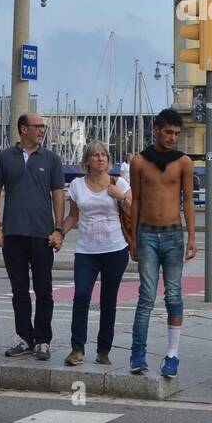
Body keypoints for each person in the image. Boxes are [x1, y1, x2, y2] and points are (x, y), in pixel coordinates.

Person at [0, 112, 66, 361]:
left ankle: (43, 339)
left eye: (43, 127)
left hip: (42, 235)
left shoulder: (51, 159)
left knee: (44, 290)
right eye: (37, 126)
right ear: (23, 129)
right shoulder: (4, 158)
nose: (42, 130)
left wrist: (58, 229)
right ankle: (24, 337)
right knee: (19, 290)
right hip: (13, 234)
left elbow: (58, 194)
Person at [129, 109, 196, 378]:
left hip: (173, 235)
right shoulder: (139, 162)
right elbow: (135, 201)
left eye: (177, 134)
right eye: (168, 132)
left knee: (173, 295)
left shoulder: (183, 163)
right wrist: (132, 237)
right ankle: (138, 353)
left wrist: (192, 236)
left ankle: (172, 355)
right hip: (146, 234)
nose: (172, 138)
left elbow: (189, 201)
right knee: (146, 296)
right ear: (156, 129)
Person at [62, 141, 132, 367]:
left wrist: (120, 196)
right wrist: (59, 231)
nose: (100, 159)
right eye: (95, 156)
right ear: (87, 161)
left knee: (108, 300)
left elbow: (134, 211)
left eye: (104, 155)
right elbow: (73, 216)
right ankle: (77, 348)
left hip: (115, 248)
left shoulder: (118, 182)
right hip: (86, 251)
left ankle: (103, 350)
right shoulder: (77, 186)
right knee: (81, 295)